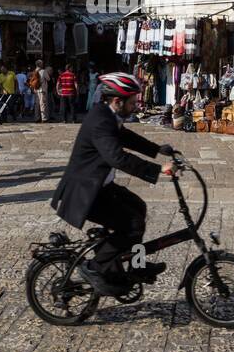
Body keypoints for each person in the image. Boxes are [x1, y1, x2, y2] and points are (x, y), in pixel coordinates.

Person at [49, 72, 174, 295]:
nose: (135, 106)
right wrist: (157, 169)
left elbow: (124, 136)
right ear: (117, 101)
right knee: (132, 224)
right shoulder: (100, 122)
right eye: (133, 102)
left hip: (100, 187)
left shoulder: (107, 116)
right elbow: (117, 158)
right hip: (85, 193)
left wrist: (156, 150)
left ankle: (137, 265)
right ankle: (94, 268)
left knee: (139, 208)